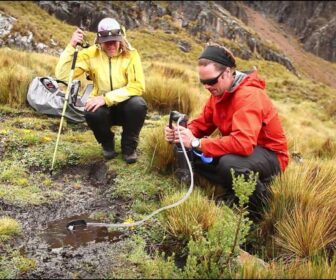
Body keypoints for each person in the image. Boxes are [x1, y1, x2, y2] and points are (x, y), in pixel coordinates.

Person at [164, 42, 289, 217]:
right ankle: (233, 188)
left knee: (229, 165)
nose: (207, 87)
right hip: (244, 151)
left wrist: (195, 142)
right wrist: (182, 133)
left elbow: (243, 144)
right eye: (203, 82)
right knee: (188, 152)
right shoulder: (218, 93)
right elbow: (202, 124)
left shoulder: (249, 96)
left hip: (271, 155)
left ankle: (261, 208)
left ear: (228, 72)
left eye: (211, 81)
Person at [55, 18, 147, 164]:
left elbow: (137, 86)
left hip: (125, 107)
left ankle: (129, 147)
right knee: (91, 110)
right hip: (103, 110)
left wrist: (106, 98)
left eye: (114, 41)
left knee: (138, 104)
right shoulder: (90, 54)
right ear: (99, 40)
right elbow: (63, 75)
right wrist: (71, 46)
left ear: (121, 38)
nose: (111, 45)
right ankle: (107, 143)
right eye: (106, 41)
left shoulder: (131, 54)